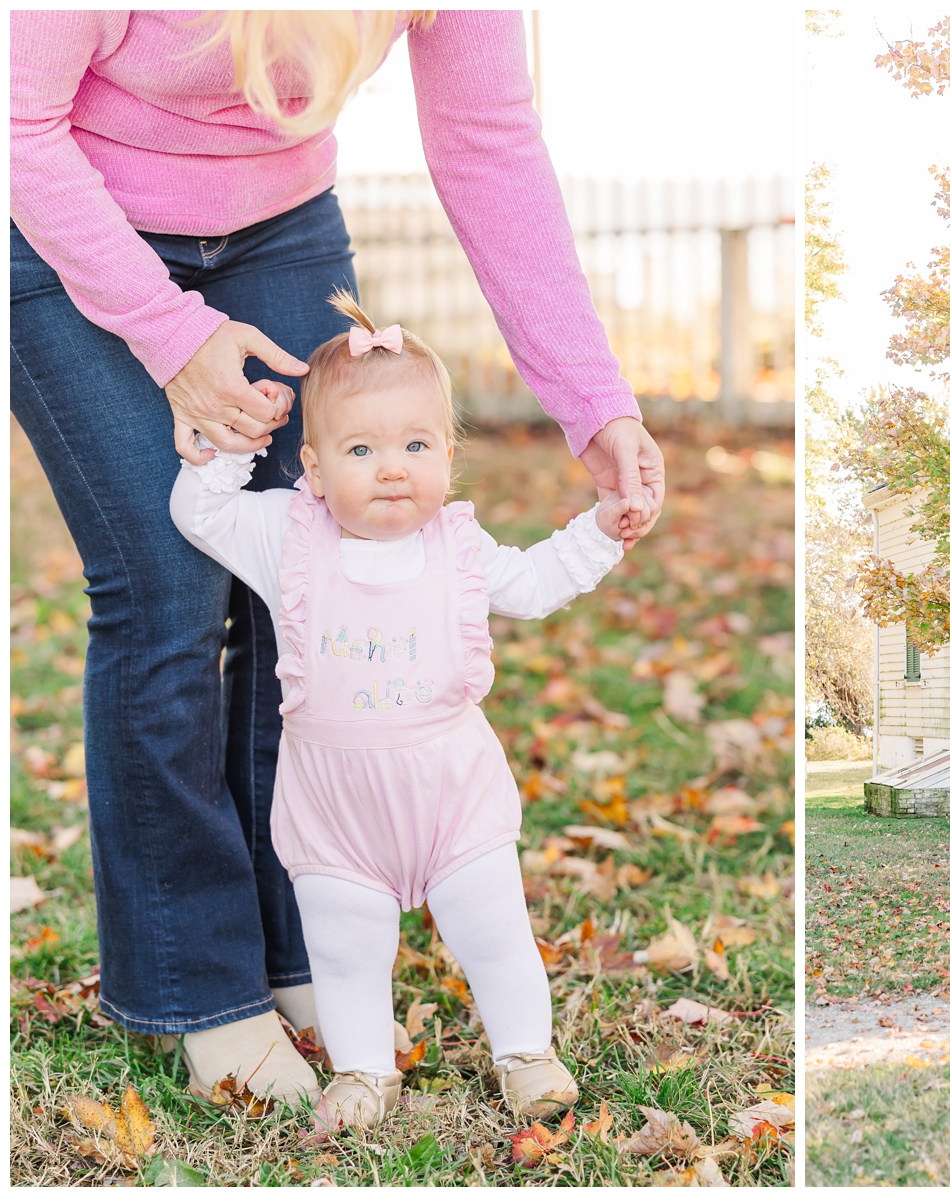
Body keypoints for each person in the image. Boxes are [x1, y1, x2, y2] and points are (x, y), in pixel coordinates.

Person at [10, 10, 664, 1104]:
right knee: (166, 593)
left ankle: (296, 940)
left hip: (279, 228)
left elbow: (488, 139)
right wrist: (172, 339)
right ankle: (199, 988)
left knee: (303, 586)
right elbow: (15, 117)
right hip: (65, 210)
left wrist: (592, 404)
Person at [172, 291, 621, 1128]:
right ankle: (365, 1070)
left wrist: (601, 531)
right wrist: (234, 449)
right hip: (339, 819)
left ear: (448, 455)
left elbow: (534, 583)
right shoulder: (288, 536)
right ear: (311, 466)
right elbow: (198, 515)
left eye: (416, 445)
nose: (392, 467)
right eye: (362, 448)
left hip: (453, 802)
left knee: (493, 933)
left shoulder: (458, 547)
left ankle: (527, 1051)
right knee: (344, 952)